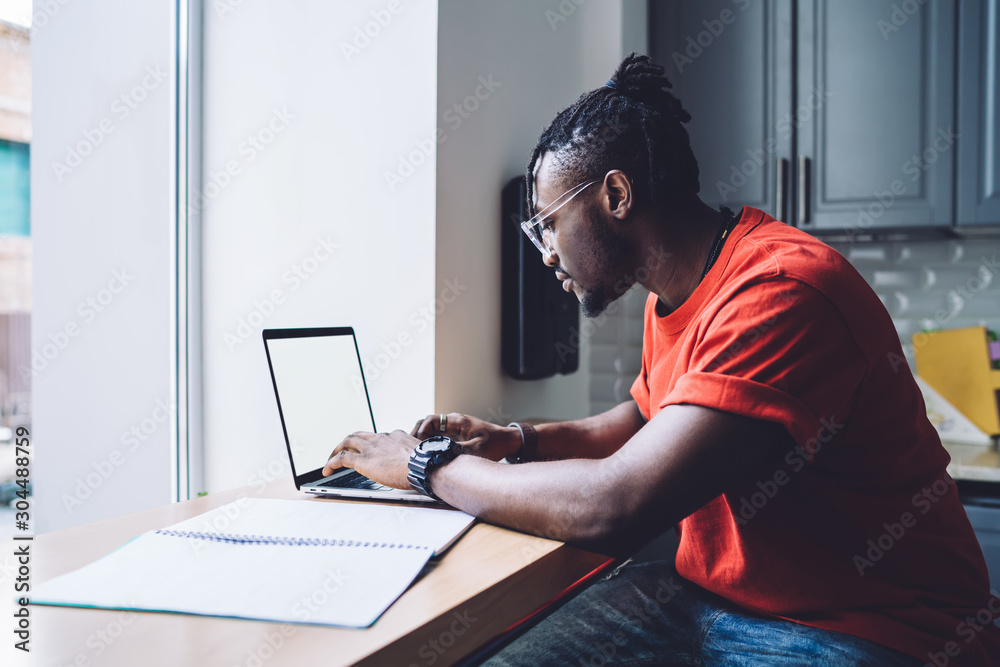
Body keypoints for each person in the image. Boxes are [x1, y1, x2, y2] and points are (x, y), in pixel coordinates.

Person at [322, 54, 1000, 666]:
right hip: (711, 602)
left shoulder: (781, 293)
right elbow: (649, 421)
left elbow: (617, 504)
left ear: (616, 196)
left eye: (547, 223)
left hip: (876, 629)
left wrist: (424, 466)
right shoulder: (673, 293)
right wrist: (519, 440)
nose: (546, 252)